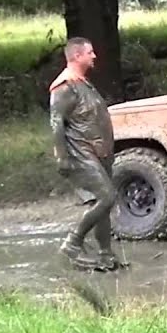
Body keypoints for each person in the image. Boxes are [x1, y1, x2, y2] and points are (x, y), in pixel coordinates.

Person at [49, 37, 128, 271]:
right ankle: (72, 244)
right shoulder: (64, 86)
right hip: (79, 153)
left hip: (97, 152)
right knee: (107, 197)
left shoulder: (83, 83)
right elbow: (56, 123)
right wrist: (61, 156)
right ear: (76, 56)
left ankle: (106, 255)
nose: (94, 56)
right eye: (90, 52)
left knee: (101, 202)